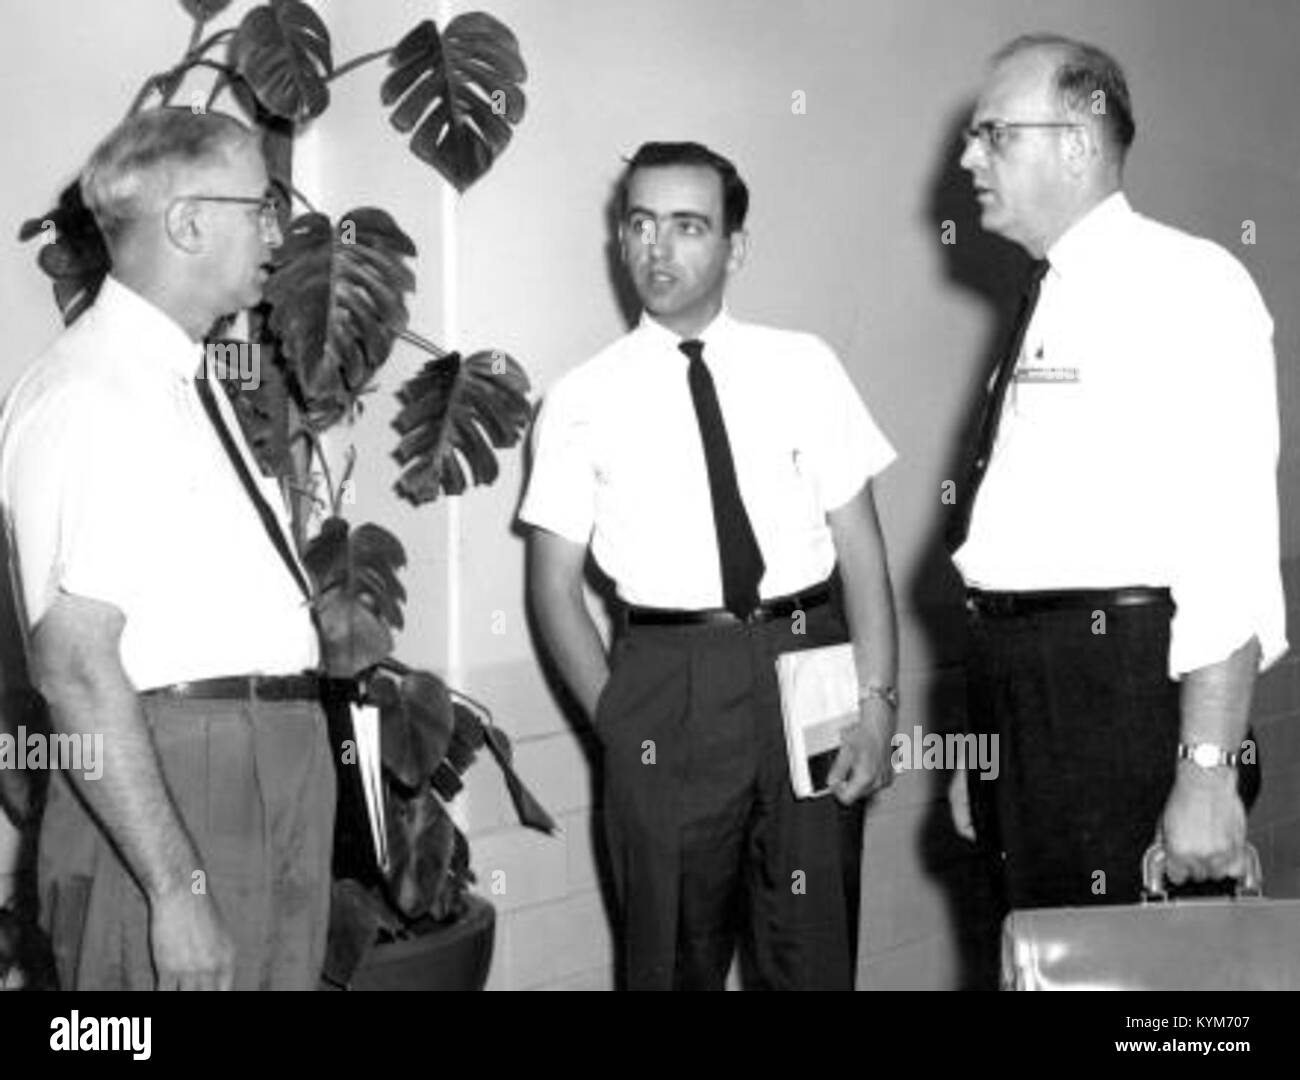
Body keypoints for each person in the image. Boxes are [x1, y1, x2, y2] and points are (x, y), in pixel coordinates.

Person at [520, 141, 899, 990]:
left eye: (688, 226)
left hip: (811, 660)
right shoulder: (581, 399)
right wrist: (620, 721)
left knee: (813, 949)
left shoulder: (805, 365)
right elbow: (552, 588)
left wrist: (876, 704)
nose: (659, 248)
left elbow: (863, 554)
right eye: (641, 224)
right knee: (671, 959)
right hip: (668, 681)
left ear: (735, 247)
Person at [948, 35, 1286, 911]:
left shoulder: (1185, 282)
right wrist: (985, 753)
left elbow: (1230, 551)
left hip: (1121, 700)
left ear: (1078, 141)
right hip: (1026, 710)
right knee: (1040, 965)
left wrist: (1207, 776)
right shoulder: (1046, 297)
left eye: (993, 134)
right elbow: (1012, 558)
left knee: (1152, 1018)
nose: (967, 157)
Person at [0, 107, 334, 990]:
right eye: (260, 208)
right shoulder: (93, 392)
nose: (277, 232)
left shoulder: (184, 376)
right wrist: (177, 888)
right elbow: (72, 663)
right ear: (188, 222)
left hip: (261, 769)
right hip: (179, 778)